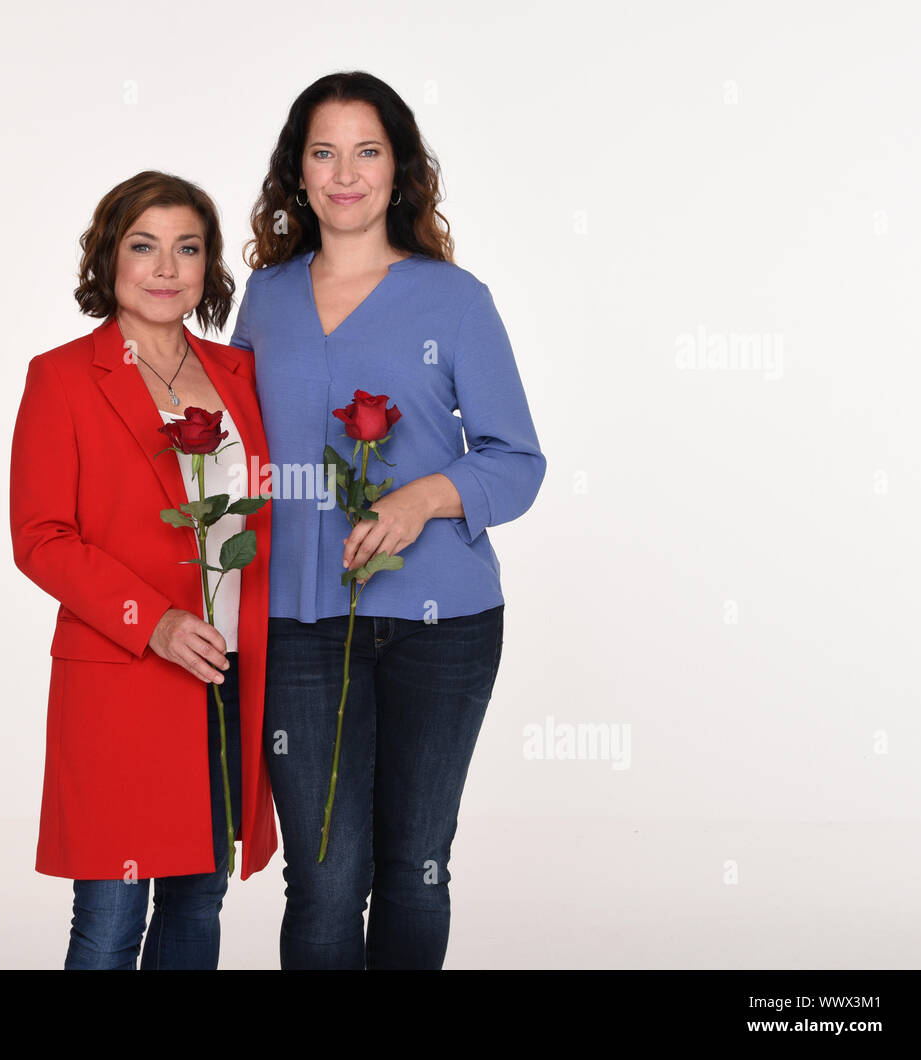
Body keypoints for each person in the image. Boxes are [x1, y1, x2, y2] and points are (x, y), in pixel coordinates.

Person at [229, 71, 547, 969]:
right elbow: (239, 448)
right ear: (298, 172)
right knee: (324, 875)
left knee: (415, 867)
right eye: (323, 152)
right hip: (299, 623)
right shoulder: (266, 298)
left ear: (399, 169)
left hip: (441, 626)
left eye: (366, 151)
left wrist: (420, 498)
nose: (345, 173)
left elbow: (516, 461)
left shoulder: (456, 299)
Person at [9, 170, 277, 969]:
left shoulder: (239, 376)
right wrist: (152, 622)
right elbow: (41, 537)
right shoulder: (60, 377)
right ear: (109, 259)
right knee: (110, 919)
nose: (166, 267)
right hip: (123, 676)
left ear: (208, 266)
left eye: (187, 248)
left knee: (198, 904)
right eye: (144, 246)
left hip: (230, 674)